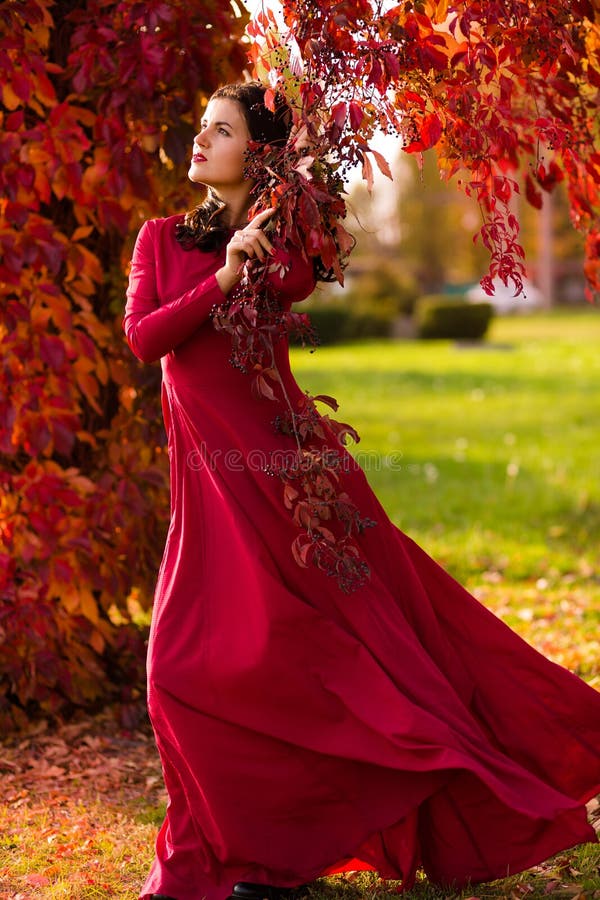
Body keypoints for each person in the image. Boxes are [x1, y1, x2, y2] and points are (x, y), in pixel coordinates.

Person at [124, 81, 600, 900]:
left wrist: (261, 242)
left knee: (351, 657)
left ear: (259, 154)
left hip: (291, 484)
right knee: (177, 670)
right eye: (201, 126)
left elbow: (301, 278)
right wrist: (218, 277)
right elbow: (145, 338)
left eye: (222, 130)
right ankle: (258, 846)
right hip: (211, 488)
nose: (199, 140)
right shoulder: (160, 238)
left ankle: (276, 865)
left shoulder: (284, 251)